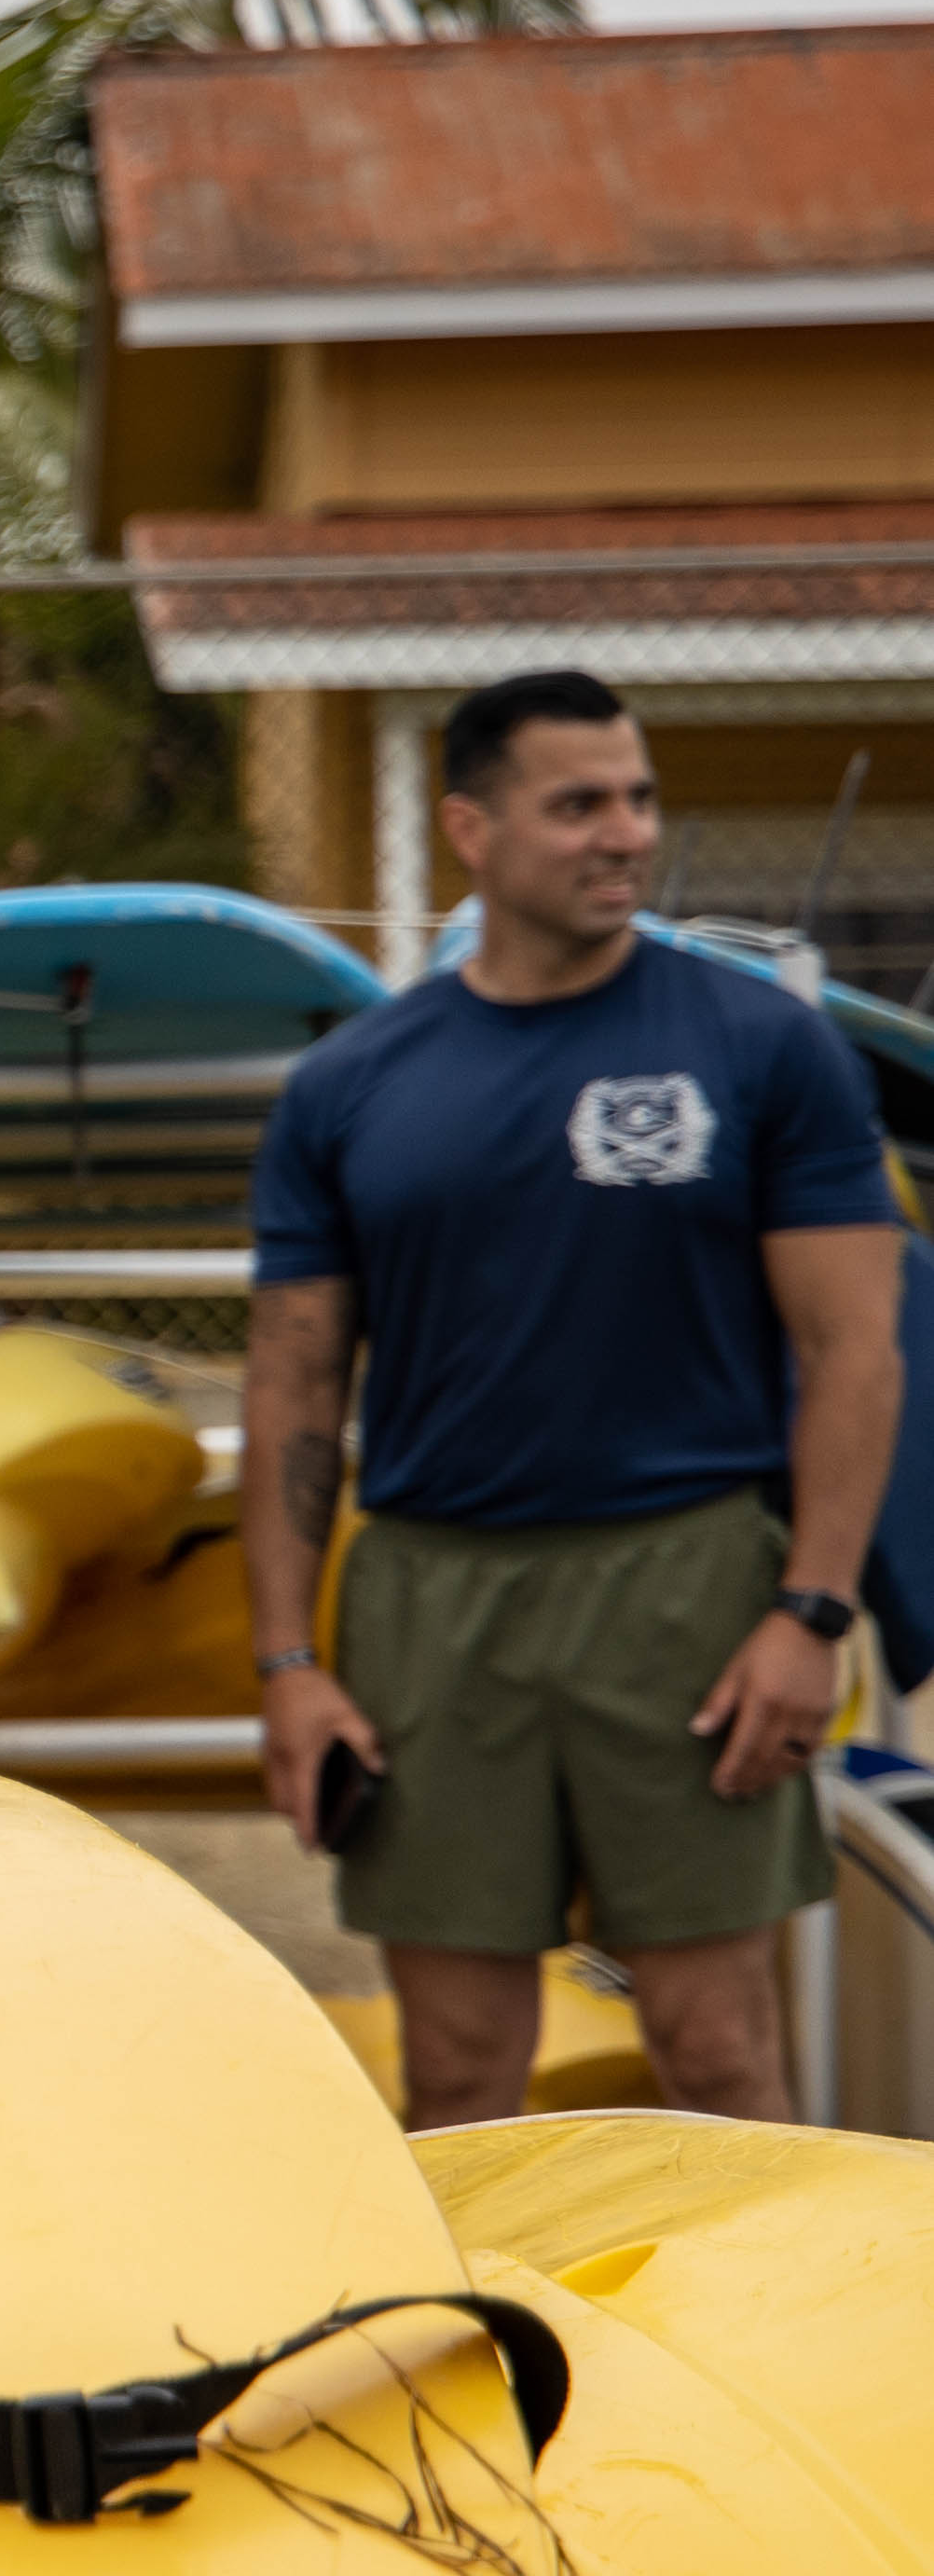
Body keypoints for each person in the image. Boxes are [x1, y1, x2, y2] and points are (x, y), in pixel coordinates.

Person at [249, 667, 899, 2128]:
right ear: (470, 828)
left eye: (640, 797)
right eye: (580, 803)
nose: (626, 833)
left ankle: (761, 2293)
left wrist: (811, 1613)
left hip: (688, 1587)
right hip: (432, 1599)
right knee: (461, 2065)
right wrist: (288, 1659)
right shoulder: (351, 1083)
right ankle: (480, 2293)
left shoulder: (763, 1046)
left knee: (716, 2045)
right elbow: (293, 1380)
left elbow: (856, 1348)